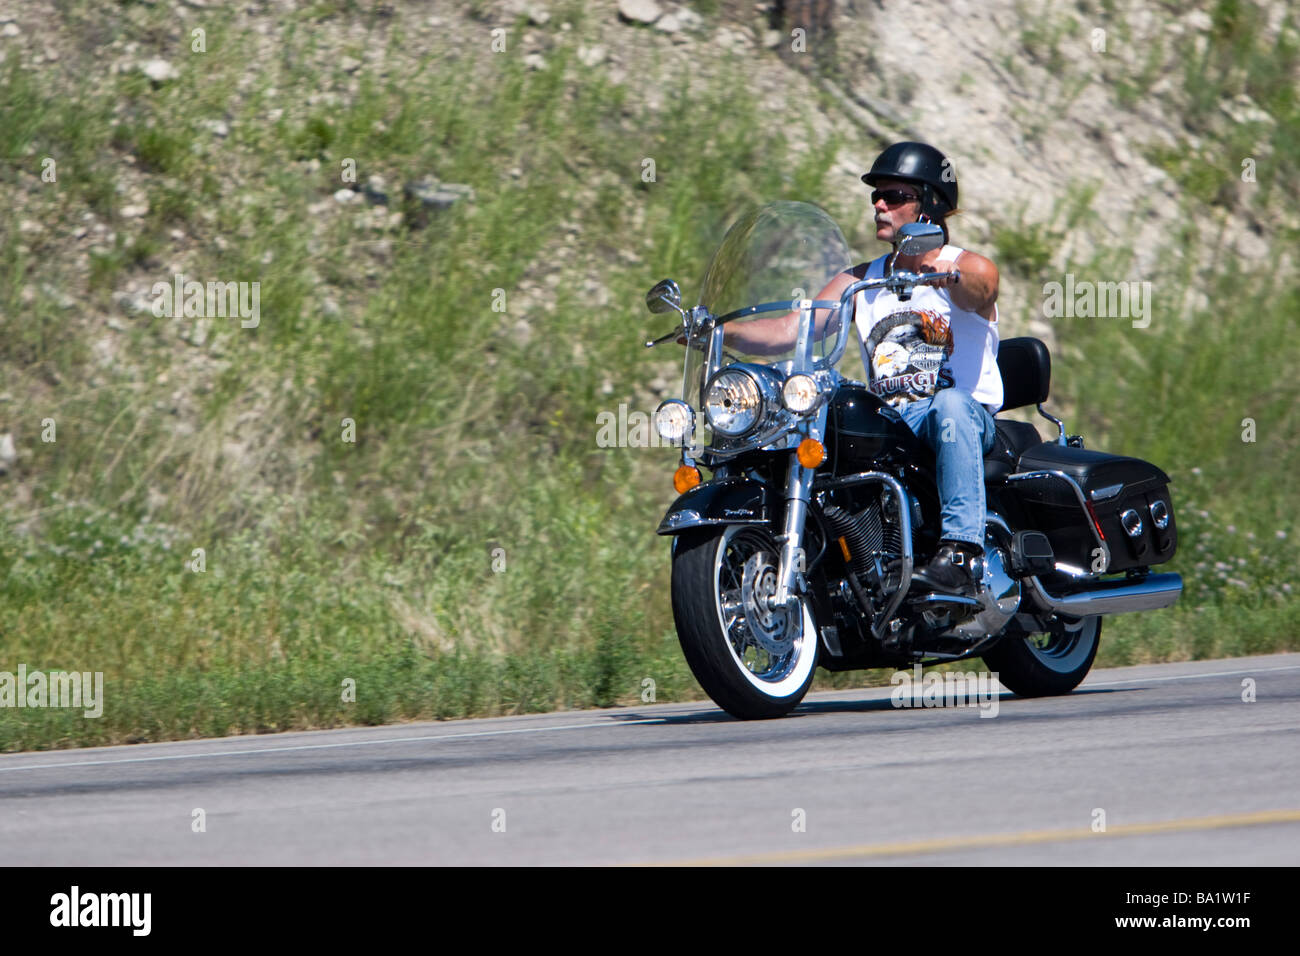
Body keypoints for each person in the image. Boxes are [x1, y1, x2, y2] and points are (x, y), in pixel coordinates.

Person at [721, 142, 1003, 596]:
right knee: (829, 412)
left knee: (949, 405)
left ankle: (962, 557)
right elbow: (791, 329)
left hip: (960, 417)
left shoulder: (960, 267)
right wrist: (720, 331)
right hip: (893, 422)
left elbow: (983, 286)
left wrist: (936, 268)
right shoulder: (862, 280)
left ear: (929, 203)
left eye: (893, 196)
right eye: (876, 196)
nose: (878, 205)